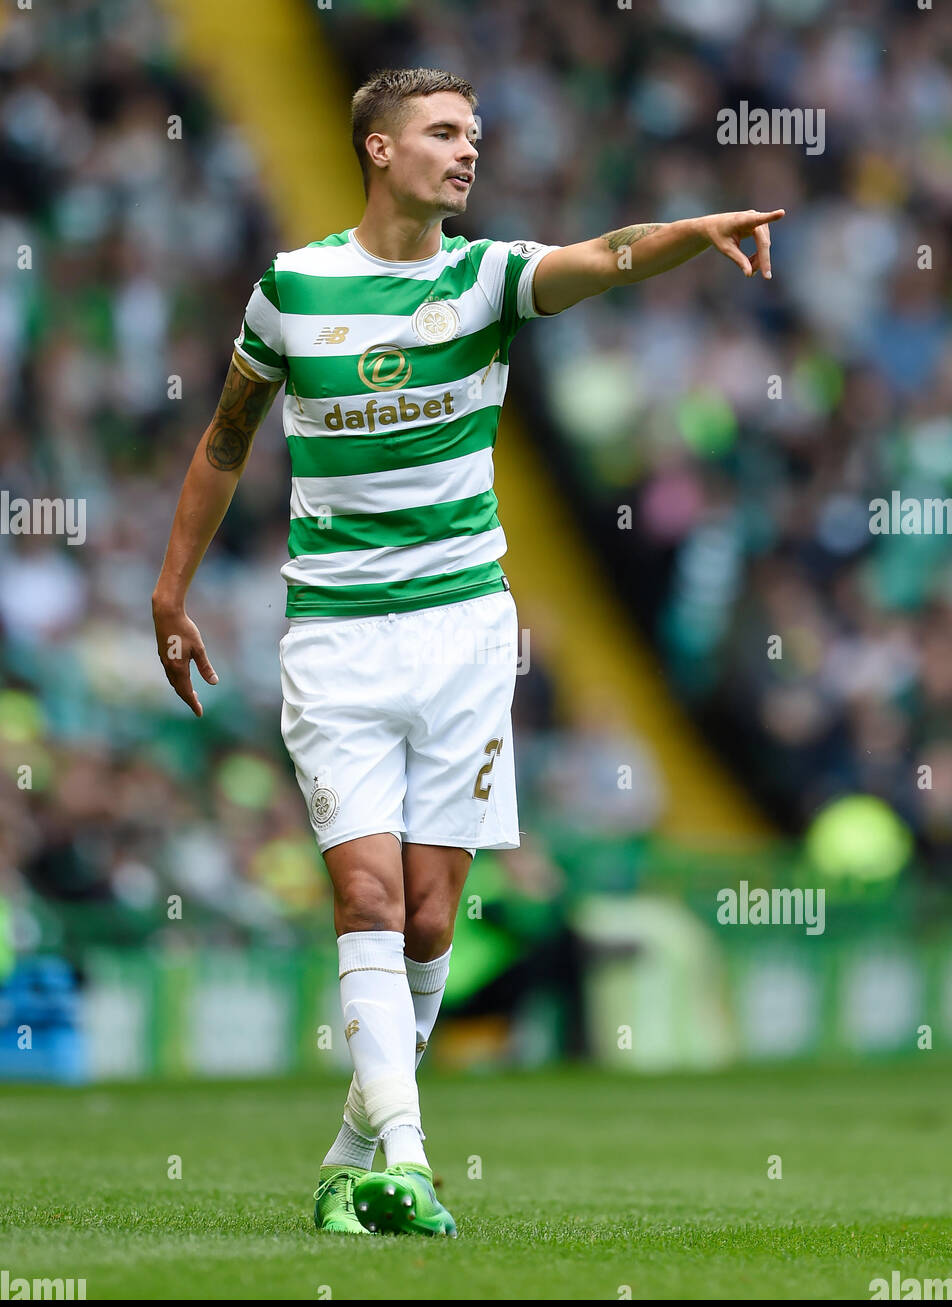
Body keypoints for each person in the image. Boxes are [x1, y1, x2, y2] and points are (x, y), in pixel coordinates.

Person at [152, 65, 784, 1238]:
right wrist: (171, 585)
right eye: (443, 132)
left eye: (475, 133)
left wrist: (685, 237)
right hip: (335, 635)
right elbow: (224, 442)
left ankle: (349, 1155)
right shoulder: (294, 288)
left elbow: (604, 255)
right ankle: (408, 1158)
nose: (467, 150)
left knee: (433, 922)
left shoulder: (485, 277)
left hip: (463, 633)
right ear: (379, 149)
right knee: (366, 893)